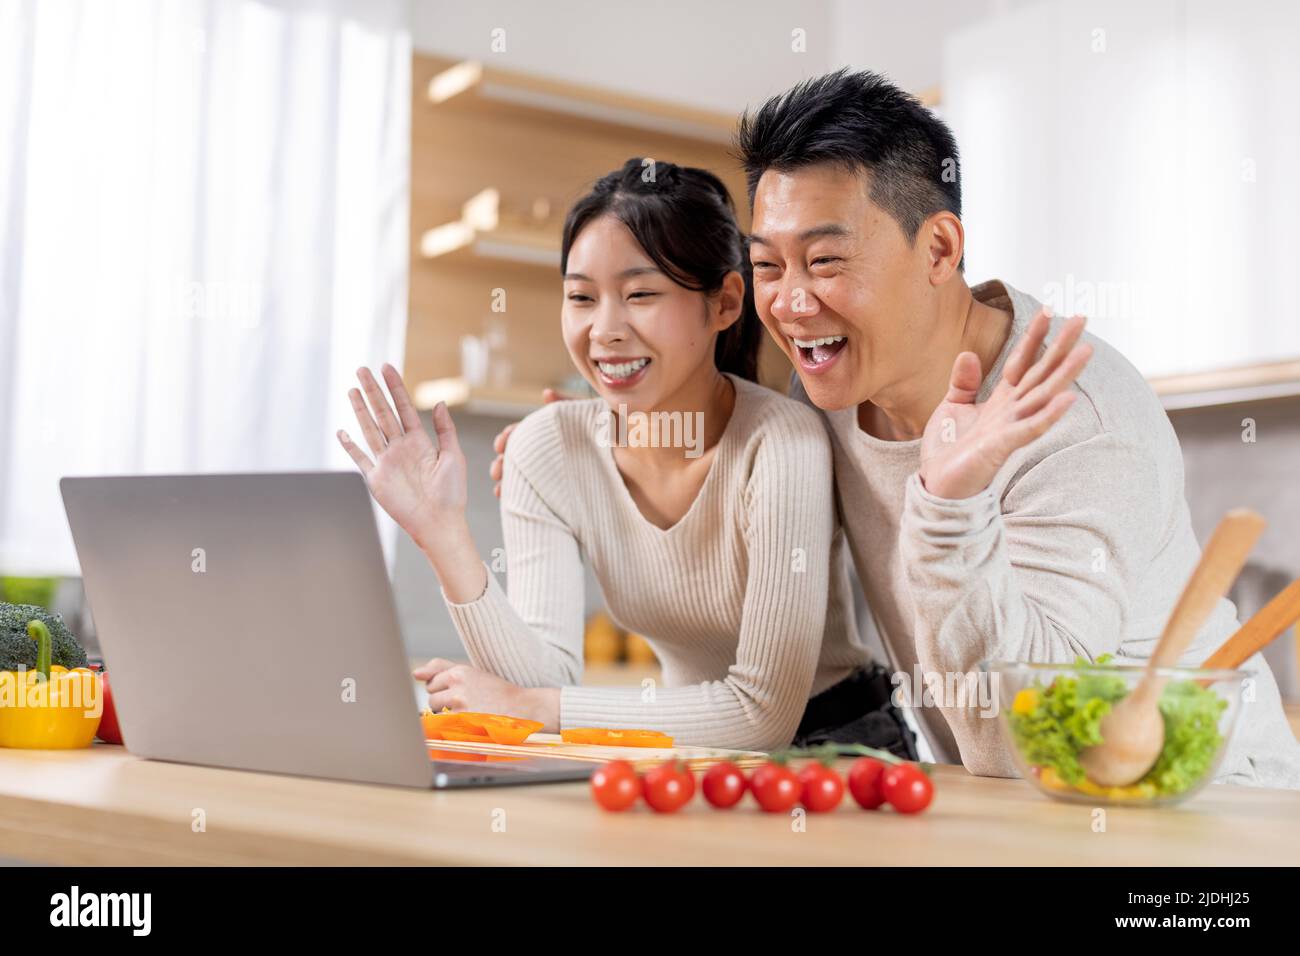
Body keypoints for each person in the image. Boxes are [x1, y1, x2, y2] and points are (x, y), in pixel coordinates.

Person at [496, 71, 1300, 788]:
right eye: (770, 264)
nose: (792, 301)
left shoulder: (1072, 418)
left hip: (1207, 804)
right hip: (1026, 810)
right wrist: (591, 451)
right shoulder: (837, 380)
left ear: (939, 246)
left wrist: (950, 504)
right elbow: (728, 439)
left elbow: (1020, 738)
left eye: (828, 260)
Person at [339, 158, 915, 755]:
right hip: (680, 750)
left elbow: (761, 715)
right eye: (581, 298)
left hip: (846, 749)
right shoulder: (547, 447)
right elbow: (542, 680)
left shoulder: (781, 443)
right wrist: (442, 534)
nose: (605, 329)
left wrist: (535, 709)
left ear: (724, 303)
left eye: (640, 294)